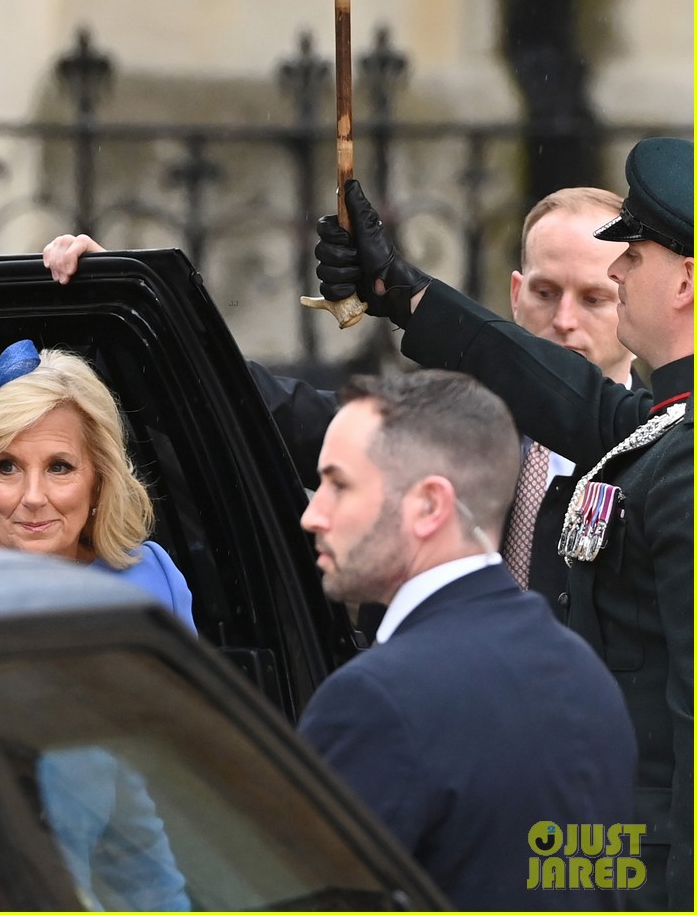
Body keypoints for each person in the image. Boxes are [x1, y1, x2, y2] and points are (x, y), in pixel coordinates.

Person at [313, 136, 693, 912]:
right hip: (607, 851)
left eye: (633, 257)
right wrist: (402, 292)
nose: (615, 272)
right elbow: (572, 401)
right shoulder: (664, 427)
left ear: (684, 278)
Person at [42, 186, 638, 614]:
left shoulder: (657, 450)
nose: (563, 320)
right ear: (515, 293)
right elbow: (265, 412)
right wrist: (133, 314)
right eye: (545, 291)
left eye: (593, 298)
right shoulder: (441, 423)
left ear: (631, 299)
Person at [297, 369, 637, 911]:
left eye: (339, 484)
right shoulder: (585, 674)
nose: (313, 514)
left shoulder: (373, 700)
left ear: (430, 505)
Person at [0, 338, 196, 633]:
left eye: (59, 467)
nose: (33, 497)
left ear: (98, 482)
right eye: (7, 467)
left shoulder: (152, 579)